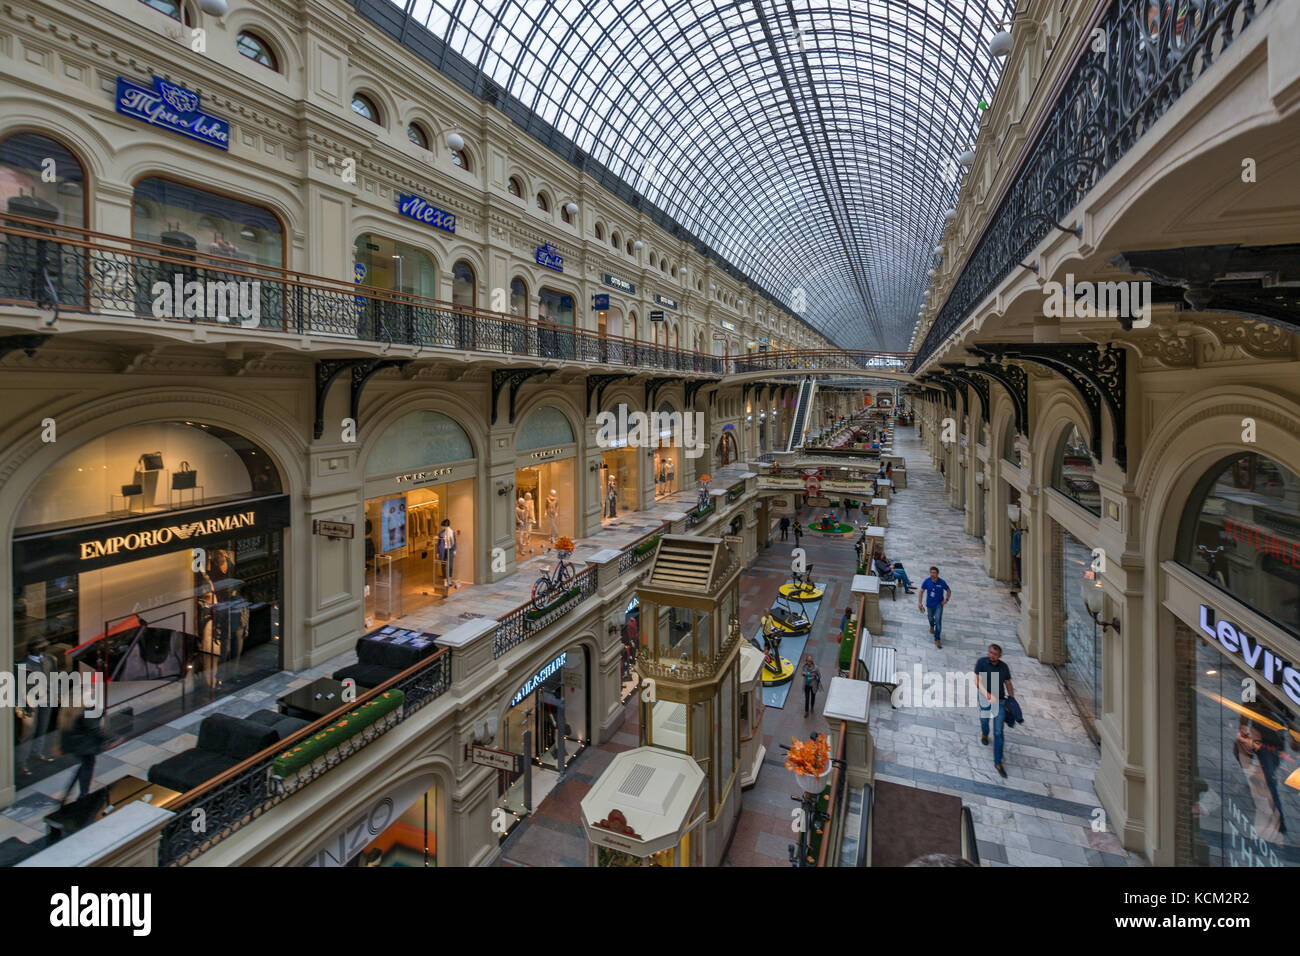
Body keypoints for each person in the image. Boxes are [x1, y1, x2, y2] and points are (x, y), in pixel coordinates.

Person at [974, 643, 1014, 778]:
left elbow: (1008, 683)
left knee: (998, 732)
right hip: (985, 699)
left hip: (1000, 702)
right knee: (984, 720)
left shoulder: (1004, 667)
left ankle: (998, 762)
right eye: (990, 652)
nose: (991, 655)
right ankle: (984, 733)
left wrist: (1012, 700)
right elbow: (977, 681)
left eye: (995, 654)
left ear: (999, 656)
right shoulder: (982, 663)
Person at [60, 714, 108, 804]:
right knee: (87, 765)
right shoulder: (86, 707)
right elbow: (92, 726)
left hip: (76, 740)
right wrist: (106, 739)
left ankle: (69, 793)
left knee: (85, 766)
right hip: (84, 742)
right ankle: (83, 795)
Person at [918, 566, 951, 649]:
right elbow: (921, 591)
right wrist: (919, 603)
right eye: (931, 572)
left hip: (939, 604)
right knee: (930, 617)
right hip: (929, 604)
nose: (932, 574)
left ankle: (937, 639)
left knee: (938, 621)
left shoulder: (941, 582)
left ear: (937, 573)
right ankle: (932, 626)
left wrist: (946, 600)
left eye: (934, 573)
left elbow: (948, 590)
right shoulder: (927, 581)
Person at [1011, 525, 1022, 590]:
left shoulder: (1018, 533)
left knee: (1019, 569)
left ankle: (1020, 583)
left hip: (1018, 554)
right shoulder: (1016, 531)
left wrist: (1019, 552)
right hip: (1015, 553)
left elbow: (1020, 544)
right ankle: (1018, 582)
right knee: (1018, 568)